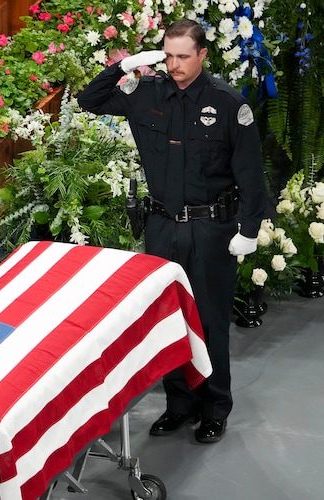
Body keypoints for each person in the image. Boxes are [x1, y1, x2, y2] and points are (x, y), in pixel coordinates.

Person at [78, 19, 267, 444]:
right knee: (169, 318)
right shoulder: (146, 93)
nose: (175, 64)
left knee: (210, 321)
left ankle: (214, 407)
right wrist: (125, 65)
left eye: (184, 56)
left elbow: (251, 174)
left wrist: (250, 228)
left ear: (202, 55)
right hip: (162, 226)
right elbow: (89, 100)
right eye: (168, 56)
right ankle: (179, 404)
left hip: (210, 228)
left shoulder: (226, 103)